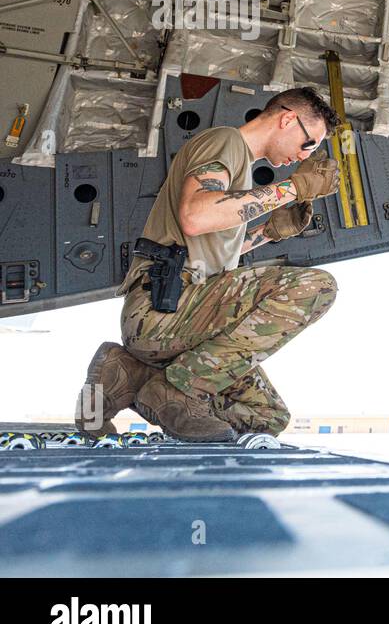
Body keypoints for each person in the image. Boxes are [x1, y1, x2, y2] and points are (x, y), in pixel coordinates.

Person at [72, 87, 342, 442]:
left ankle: (127, 373)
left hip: (184, 316)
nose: (304, 155)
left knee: (266, 417)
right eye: (309, 144)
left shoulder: (239, 169)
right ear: (287, 119)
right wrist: (293, 188)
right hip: (165, 309)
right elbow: (196, 217)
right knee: (316, 287)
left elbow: (211, 248)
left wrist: (269, 233)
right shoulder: (225, 142)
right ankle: (180, 392)